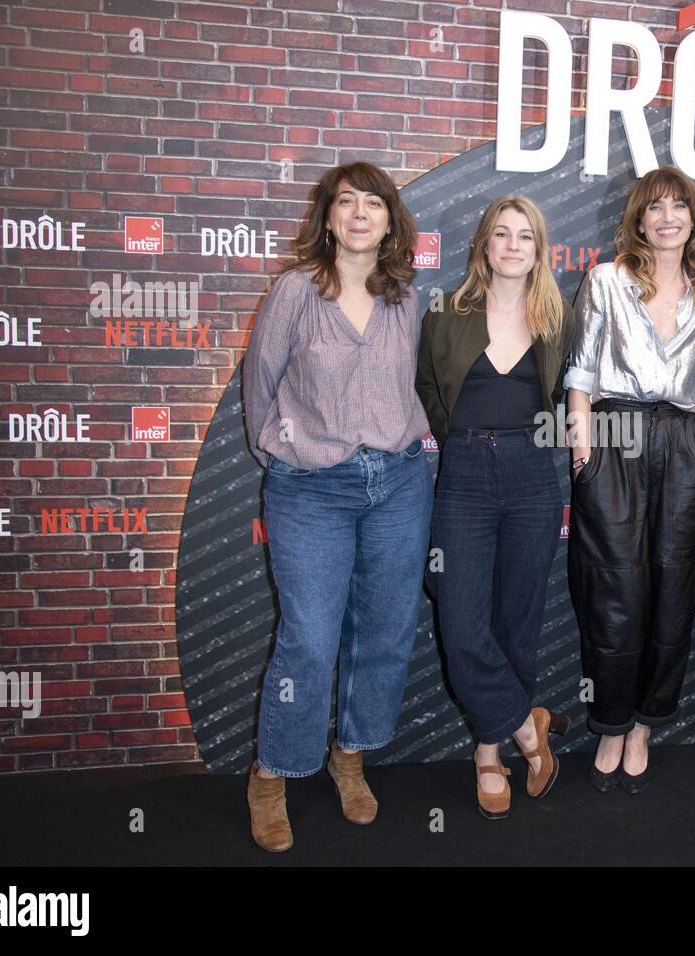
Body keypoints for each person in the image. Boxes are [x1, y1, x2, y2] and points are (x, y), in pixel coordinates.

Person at [242, 161, 433, 852]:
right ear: (327, 217)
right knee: (310, 640)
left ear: (389, 222)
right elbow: (260, 387)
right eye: (346, 202)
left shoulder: (405, 298)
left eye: (372, 204)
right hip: (310, 489)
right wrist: (287, 458)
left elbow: (409, 388)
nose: (359, 214)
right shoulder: (296, 291)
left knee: (384, 632)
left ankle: (348, 757)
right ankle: (272, 774)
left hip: (399, 484)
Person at [415, 196, 576, 819]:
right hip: (463, 475)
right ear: (484, 244)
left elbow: (566, 392)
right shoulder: (445, 314)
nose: (513, 245)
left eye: (525, 236)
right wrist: (460, 438)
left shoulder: (557, 317)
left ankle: (488, 751)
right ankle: (529, 728)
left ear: (539, 249)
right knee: (461, 624)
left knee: (518, 621)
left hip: (533, 475)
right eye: (502, 234)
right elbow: (427, 389)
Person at [565, 166, 695, 794]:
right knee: (616, 594)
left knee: (673, 590)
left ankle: (644, 726)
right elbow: (581, 373)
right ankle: (610, 723)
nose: (667, 218)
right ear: (638, 219)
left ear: (693, 220)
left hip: (684, 444)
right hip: (615, 437)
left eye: (678, 207)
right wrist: (583, 456)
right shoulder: (606, 280)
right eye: (655, 207)